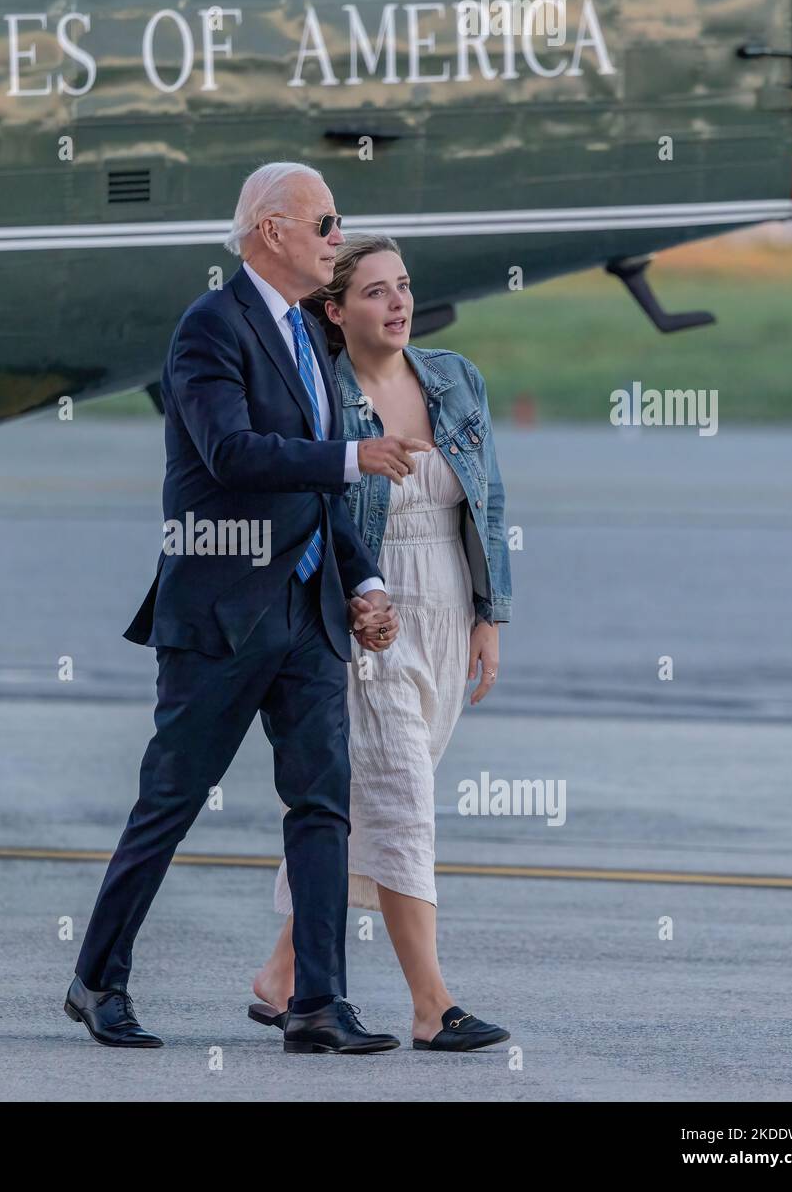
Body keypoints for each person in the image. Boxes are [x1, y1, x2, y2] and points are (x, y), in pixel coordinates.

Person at [65, 165, 430, 1054]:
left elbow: (314, 485)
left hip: (306, 613)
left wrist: (365, 581)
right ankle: (96, 981)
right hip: (223, 612)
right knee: (171, 801)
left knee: (322, 808)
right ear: (272, 231)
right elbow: (232, 454)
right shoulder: (209, 329)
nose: (337, 238)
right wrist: (351, 456)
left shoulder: (309, 334)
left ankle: (316, 1004)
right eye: (326, 223)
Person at [249, 234, 514, 1052]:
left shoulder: (454, 378)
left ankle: (280, 975)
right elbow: (307, 509)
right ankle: (433, 1004)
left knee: (367, 807)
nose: (397, 303)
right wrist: (346, 593)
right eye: (374, 292)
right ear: (334, 310)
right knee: (401, 801)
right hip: (367, 616)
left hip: (443, 611)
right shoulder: (318, 397)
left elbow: (489, 505)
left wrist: (487, 615)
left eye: (402, 287)